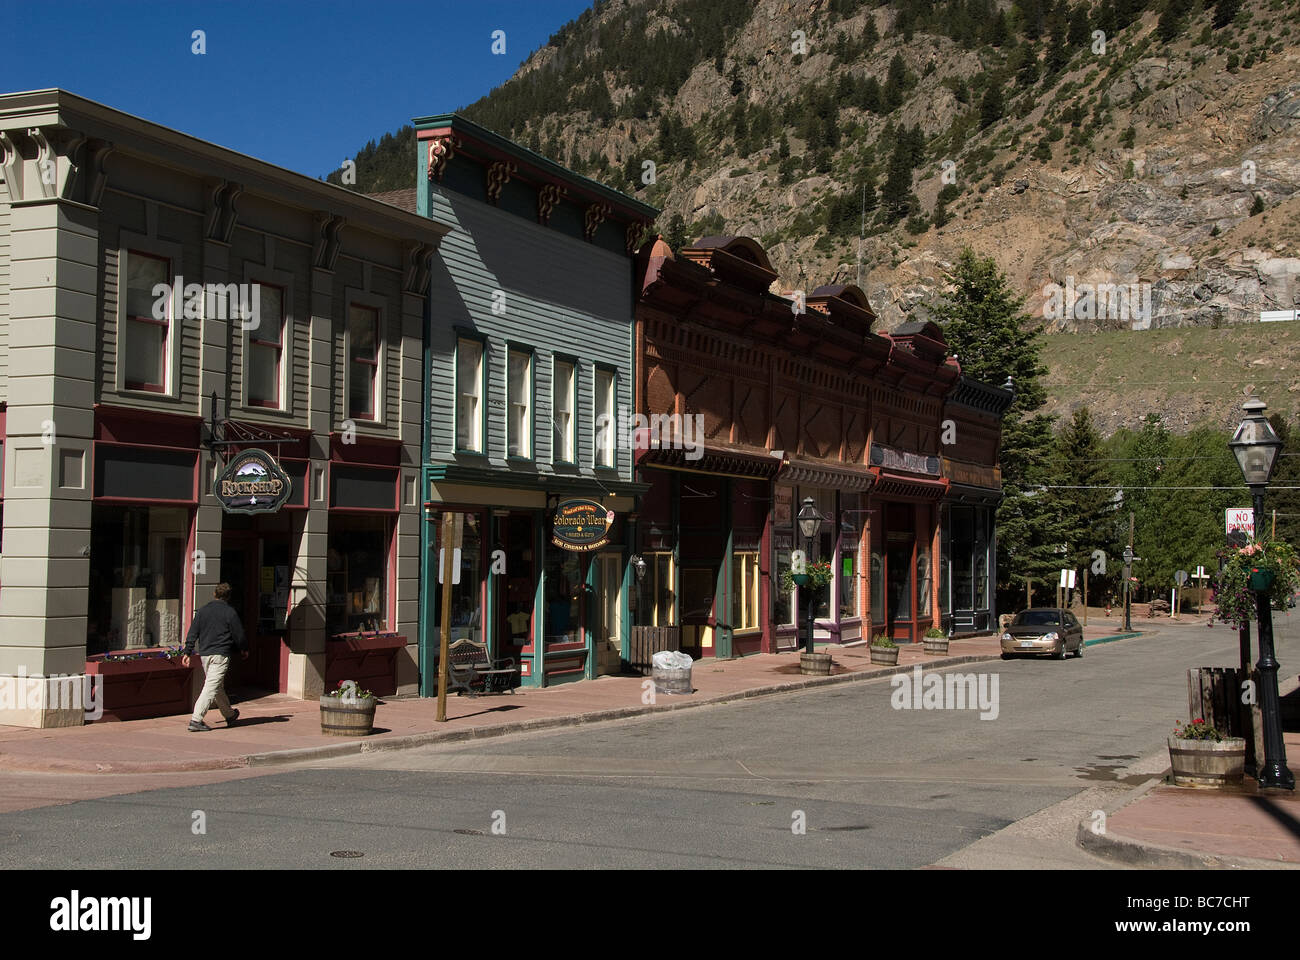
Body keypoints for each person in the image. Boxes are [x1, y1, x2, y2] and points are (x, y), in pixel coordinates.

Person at [181, 582, 248, 732]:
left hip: (205, 654)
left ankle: (229, 714)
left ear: (214, 594)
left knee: (216, 686)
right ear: (228, 597)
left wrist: (187, 651)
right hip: (220, 654)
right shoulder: (230, 612)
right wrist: (243, 649)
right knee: (211, 686)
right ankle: (196, 719)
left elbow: (193, 632)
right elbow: (239, 634)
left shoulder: (203, 611)